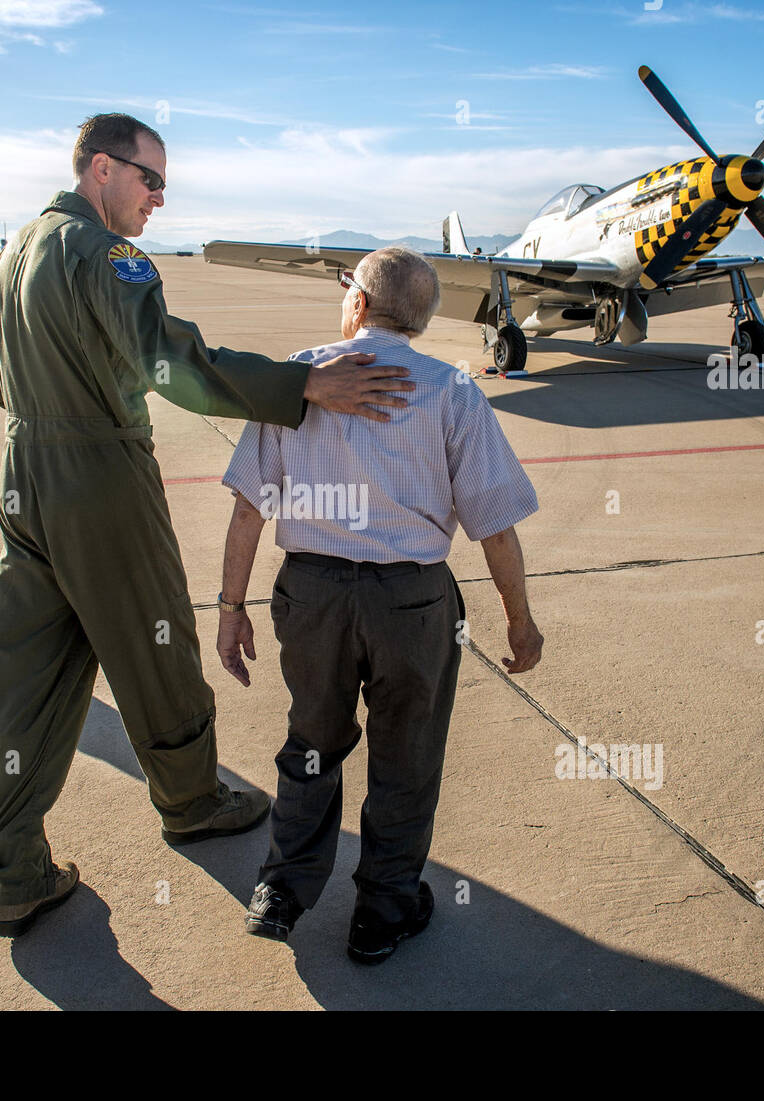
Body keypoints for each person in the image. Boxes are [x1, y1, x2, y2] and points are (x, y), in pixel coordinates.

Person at [0, 113, 414, 938]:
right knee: (157, 640)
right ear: (102, 169)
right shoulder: (106, 253)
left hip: (23, 475)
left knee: (27, 672)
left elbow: (2, 377)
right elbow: (168, 361)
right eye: (151, 181)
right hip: (99, 472)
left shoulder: (12, 252)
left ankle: (15, 866)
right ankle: (190, 799)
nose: (159, 200)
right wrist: (299, 386)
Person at [216, 247, 545, 963]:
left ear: (358, 304)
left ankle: (281, 890)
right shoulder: (454, 391)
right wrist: (520, 619)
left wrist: (230, 605)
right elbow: (495, 523)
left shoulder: (300, 376)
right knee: (408, 754)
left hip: (313, 596)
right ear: (422, 319)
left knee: (312, 741)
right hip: (413, 599)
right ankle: (382, 911)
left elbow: (249, 509)